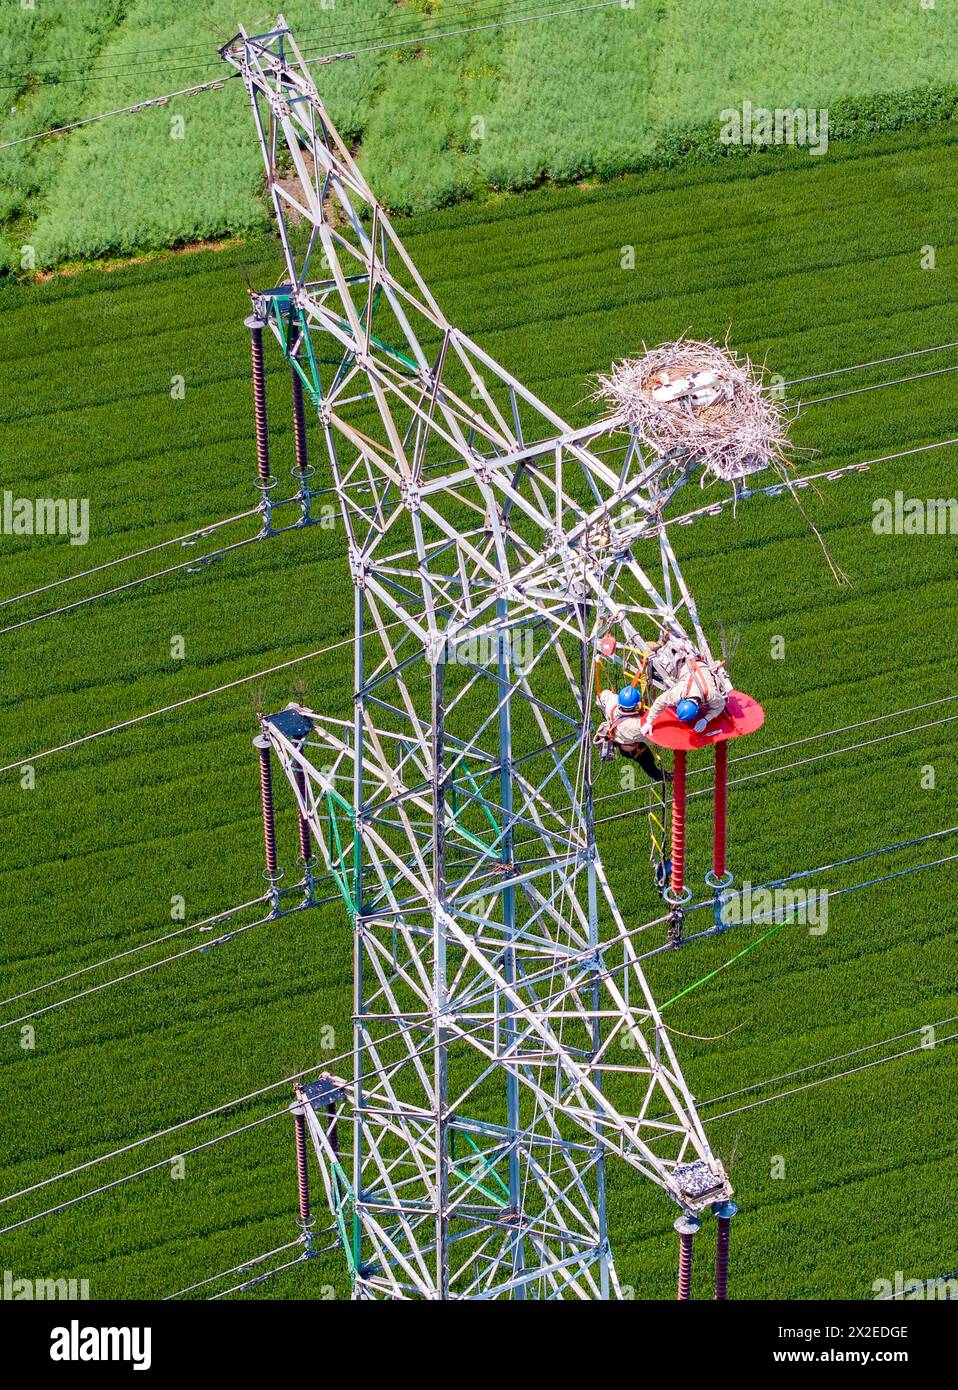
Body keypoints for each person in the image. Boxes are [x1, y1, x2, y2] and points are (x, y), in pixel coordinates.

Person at [640, 641, 731, 737]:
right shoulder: (679, 692)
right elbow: (660, 702)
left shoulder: (711, 694)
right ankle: (658, 647)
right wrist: (649, 721)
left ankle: (658, 647)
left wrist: (706, 719)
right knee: (662, 659)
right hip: (683, 663)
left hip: (696, 665)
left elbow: (720, 706)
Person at [595, 685, 669, 783]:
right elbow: (652, 740)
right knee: (649, 763)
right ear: (635, 706)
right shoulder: (633, 726)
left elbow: (602, 695)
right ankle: (660, 777)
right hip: (634, 749)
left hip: (623, 739)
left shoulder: (612, 702)